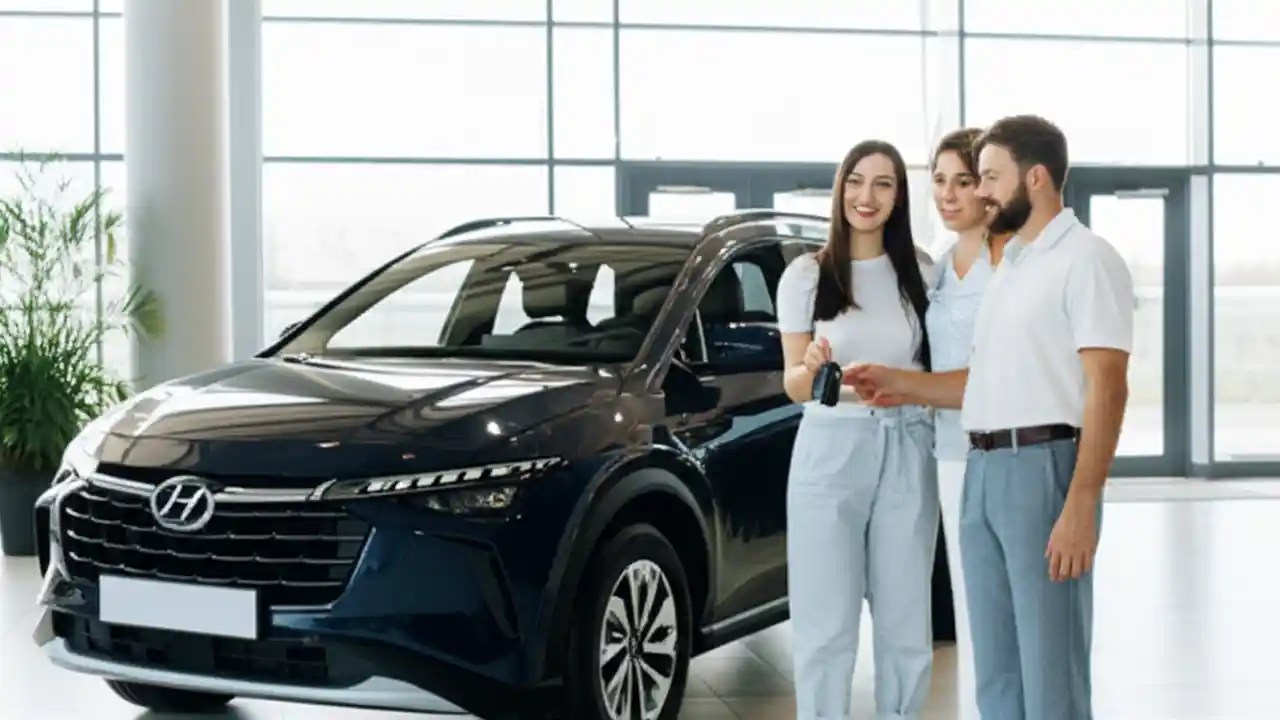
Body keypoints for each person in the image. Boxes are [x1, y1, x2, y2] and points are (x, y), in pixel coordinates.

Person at [845, 115, 1133, 720]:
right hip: (981, 469)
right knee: (995, 670)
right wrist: (898, 383)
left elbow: (1107, 388)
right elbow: (984, 380)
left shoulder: (1087, 259)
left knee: (1049, 667)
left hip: (1043, 469)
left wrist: (1082, 500)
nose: (981, 192)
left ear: (1036, 178)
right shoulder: (1013, 266)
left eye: (991, 177)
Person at [776, 139, 939, 720]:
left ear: (898, 197)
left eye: (883, 184)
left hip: (906, 442)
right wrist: (810, 367)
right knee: (824, 623)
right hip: (830, 448)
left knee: (905, 621)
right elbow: (794, 384)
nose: (866, 196)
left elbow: (938, 368)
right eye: (855, 181)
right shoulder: (805, 276)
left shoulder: (922, 273)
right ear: (840, 189)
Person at [925, 127, 1012, 720]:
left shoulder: (1006, 264)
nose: (948, 195)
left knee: (1005, 610)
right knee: (969, 604)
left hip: (1001, 452)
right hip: (946, 455)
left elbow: (996, 374)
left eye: (963, 181)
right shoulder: (935, 269)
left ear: (986, 188)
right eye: (939, 181)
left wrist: (903, 386)